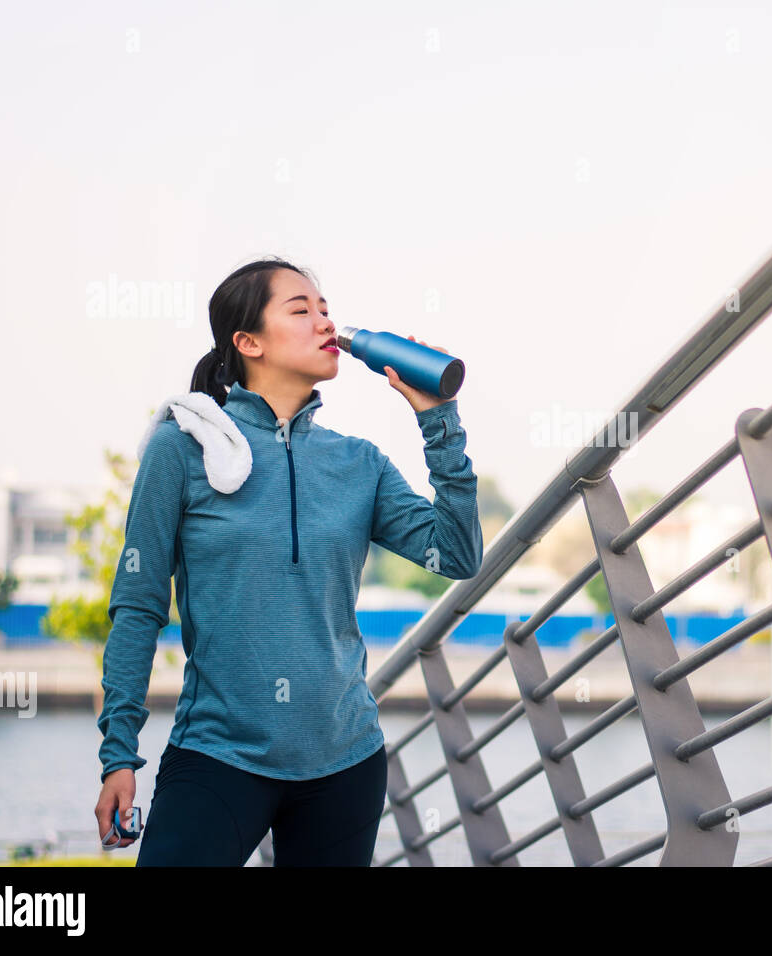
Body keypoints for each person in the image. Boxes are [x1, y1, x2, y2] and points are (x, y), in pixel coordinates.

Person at [92, 256, 482, 865]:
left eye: (325, 308)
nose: (324, 321)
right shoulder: (184, 447)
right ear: (247, 342)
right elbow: (139, 606)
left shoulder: (358, 463)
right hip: (218, 754)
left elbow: (456, 554)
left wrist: (438, 420)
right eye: (301, 310)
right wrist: (119, 754)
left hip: (345, 761)